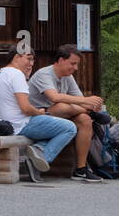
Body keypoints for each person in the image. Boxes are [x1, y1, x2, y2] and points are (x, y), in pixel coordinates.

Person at [0, 49, 76, 183]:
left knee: (52, 126)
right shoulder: (16, 75)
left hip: (2, 124)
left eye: (33, 60)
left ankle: (37, 152)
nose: (31, 63)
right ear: (16, 57)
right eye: (28, 58)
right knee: (69, 127)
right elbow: (26, 108)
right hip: (19, 125)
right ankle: (41, 155)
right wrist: (39, 112)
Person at [28, 43, 107, 183]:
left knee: (84, 120)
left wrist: (90, 104)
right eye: (73, 64)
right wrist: (87, 102)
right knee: (62, 106)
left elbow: (80, 99)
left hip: (59, 118)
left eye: (76, 64)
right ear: (60, 60)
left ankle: (81, 169)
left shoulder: (67, 76)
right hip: (37, 117)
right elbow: (54, 97)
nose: (75, 68)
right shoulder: (44, 74)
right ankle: (91, 114)